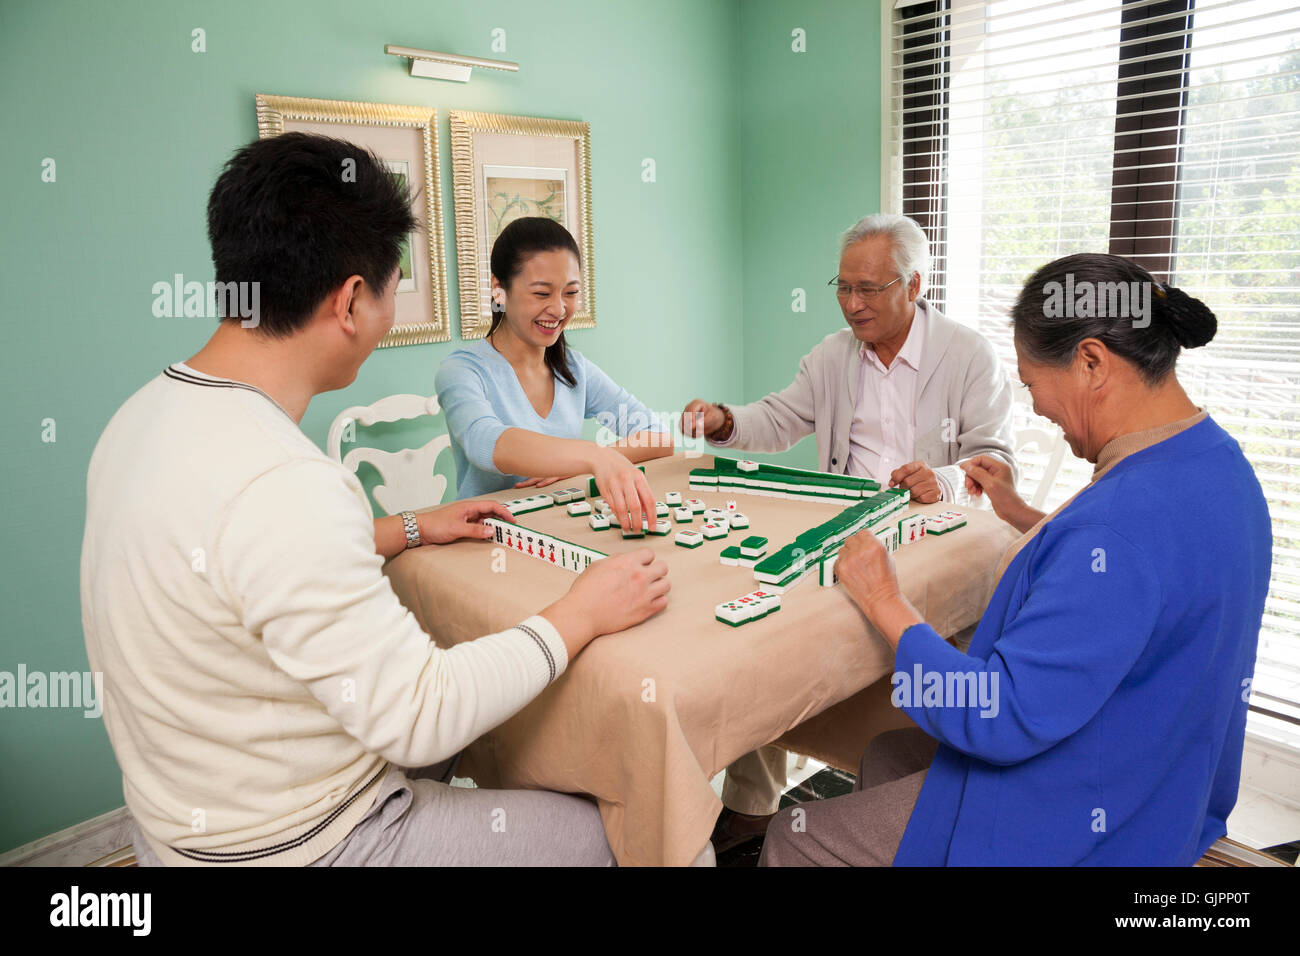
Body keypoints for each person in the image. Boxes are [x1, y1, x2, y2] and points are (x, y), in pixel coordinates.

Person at [81, 132, 670, 867]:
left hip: (181, 822)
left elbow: (239, 567)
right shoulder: (287, 482)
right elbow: (422, 718)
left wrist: (412, 525)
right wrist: (583, 610)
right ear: (354, 300)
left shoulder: (144, 414)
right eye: (394, 290)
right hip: (307, 843)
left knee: (504, 717)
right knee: (622, 826)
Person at [759, 253, 1271, 865]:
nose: (1035, 407)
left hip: (1084, 815)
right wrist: (1027, 518)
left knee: (793, 836)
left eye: (1031, 383)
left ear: (1090, 362)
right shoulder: (1220, 466)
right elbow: (1138, 581)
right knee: (884, 754)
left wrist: (883, 599)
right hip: (1164, 774)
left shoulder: (1116, 527)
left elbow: (994, 717)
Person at [680, 213, 1017, 849]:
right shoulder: (833, 355)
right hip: (847, 531)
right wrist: (725, 421)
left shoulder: (968, 354)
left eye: (869, 289)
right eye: (843, 287)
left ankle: (909, 794)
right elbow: (778, 419)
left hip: (930, 536)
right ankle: (751, 802)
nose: (852, 304)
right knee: (766, 632)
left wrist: (942, 479)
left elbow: (997, 462)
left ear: (913, 285)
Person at [436, 217, 671, 532]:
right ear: (499, 291)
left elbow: (659, 437)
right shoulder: (462, 370)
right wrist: (590, 456)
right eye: (542, 293)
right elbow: (485, 443)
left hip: (562, 530)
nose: (559, 309)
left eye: (570, 293)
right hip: (485, 536)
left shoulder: (574, 368)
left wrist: (600, 458)